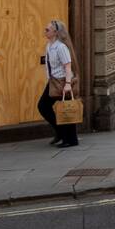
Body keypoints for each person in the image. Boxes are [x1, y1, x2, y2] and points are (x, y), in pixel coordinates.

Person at [37, 19, 79, 148]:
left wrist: (67, 84)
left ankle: (71, 140)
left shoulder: (61, 47)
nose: (45, 31)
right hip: (53, 81)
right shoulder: (50, 45)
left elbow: (67, 66)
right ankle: (61, 133)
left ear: (55, 32)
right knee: (43, 106)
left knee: (66, 109)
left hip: (62, 81)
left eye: (47, 30)